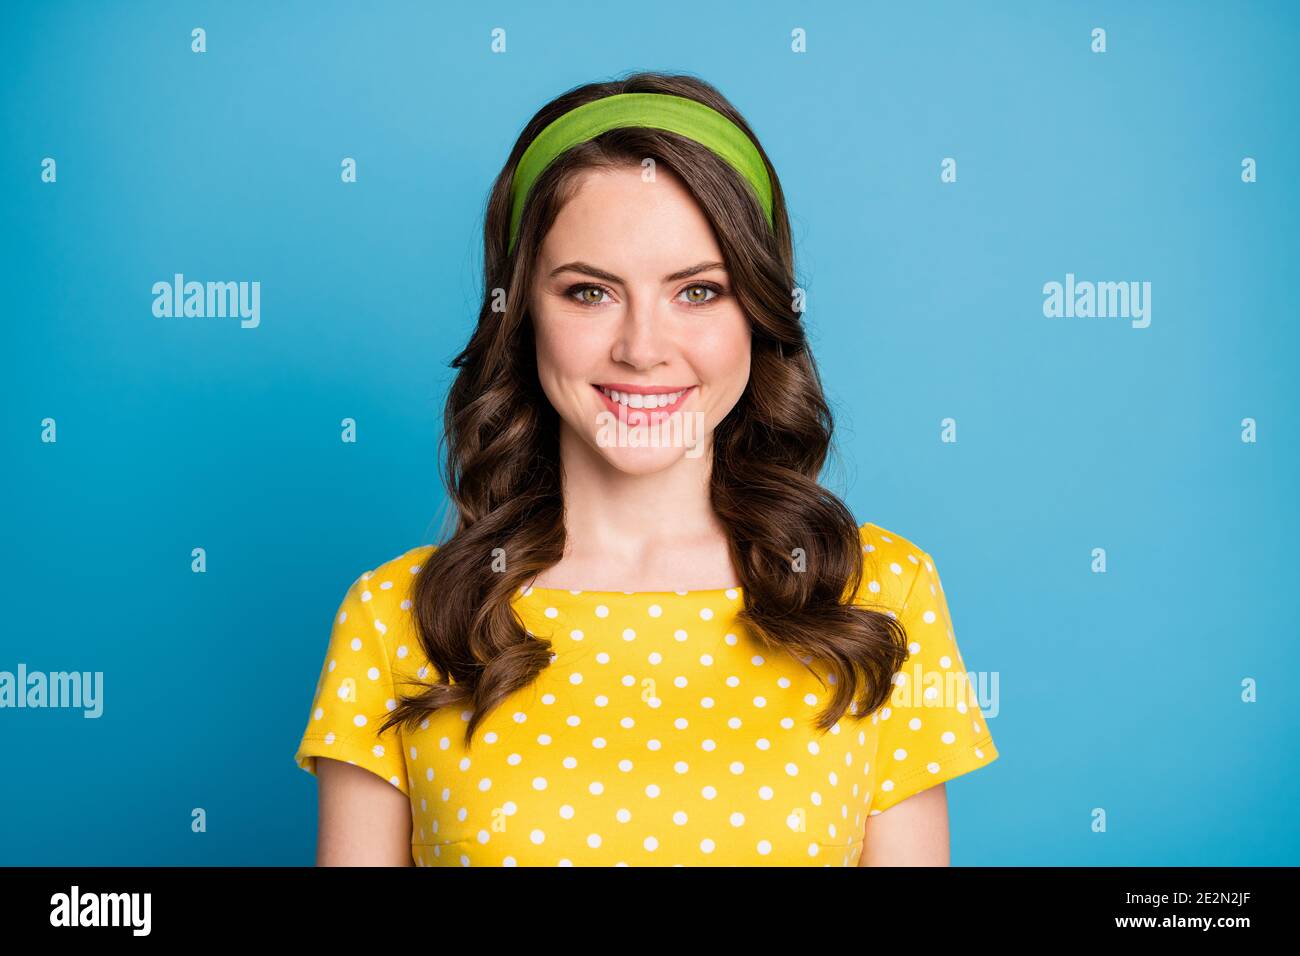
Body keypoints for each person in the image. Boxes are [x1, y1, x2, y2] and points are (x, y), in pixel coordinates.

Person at [293, 71, 999, 866]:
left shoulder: (877, 596)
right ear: (521, 312)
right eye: (590, 292)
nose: (641, 348)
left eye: (698, 292)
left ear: (760, 314)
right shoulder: (398, 617)